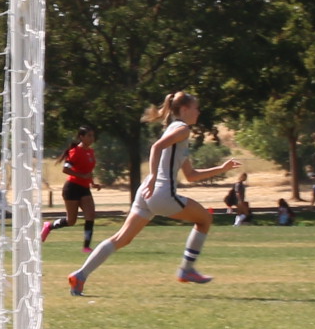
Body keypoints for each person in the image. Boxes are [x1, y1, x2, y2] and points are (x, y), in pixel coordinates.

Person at [67, 92, 215, 295]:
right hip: (162, 193)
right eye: (196, 108)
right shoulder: (182, 129)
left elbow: (191, 175)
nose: (199, 112)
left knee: (121, 239)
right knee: (205, 219)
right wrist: (154, 177)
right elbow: (156, 147)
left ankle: (80, 275)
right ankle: (186, 269)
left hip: (146, 193)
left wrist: (222, 168)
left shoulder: (174, 129)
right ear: (184, 109)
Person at [40, 128, 100, 248]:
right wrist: (82, 176)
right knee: (71, 221)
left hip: (84, 188)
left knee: (90, 215)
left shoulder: (91, 151)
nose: (92, 138)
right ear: (81, 137)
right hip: (72, 188)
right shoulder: (75, 152)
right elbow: (65, 169)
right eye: (89, 135)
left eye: (92, 136)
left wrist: (93, 183)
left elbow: (88, 171)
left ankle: (86, 247)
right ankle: (49, 226)